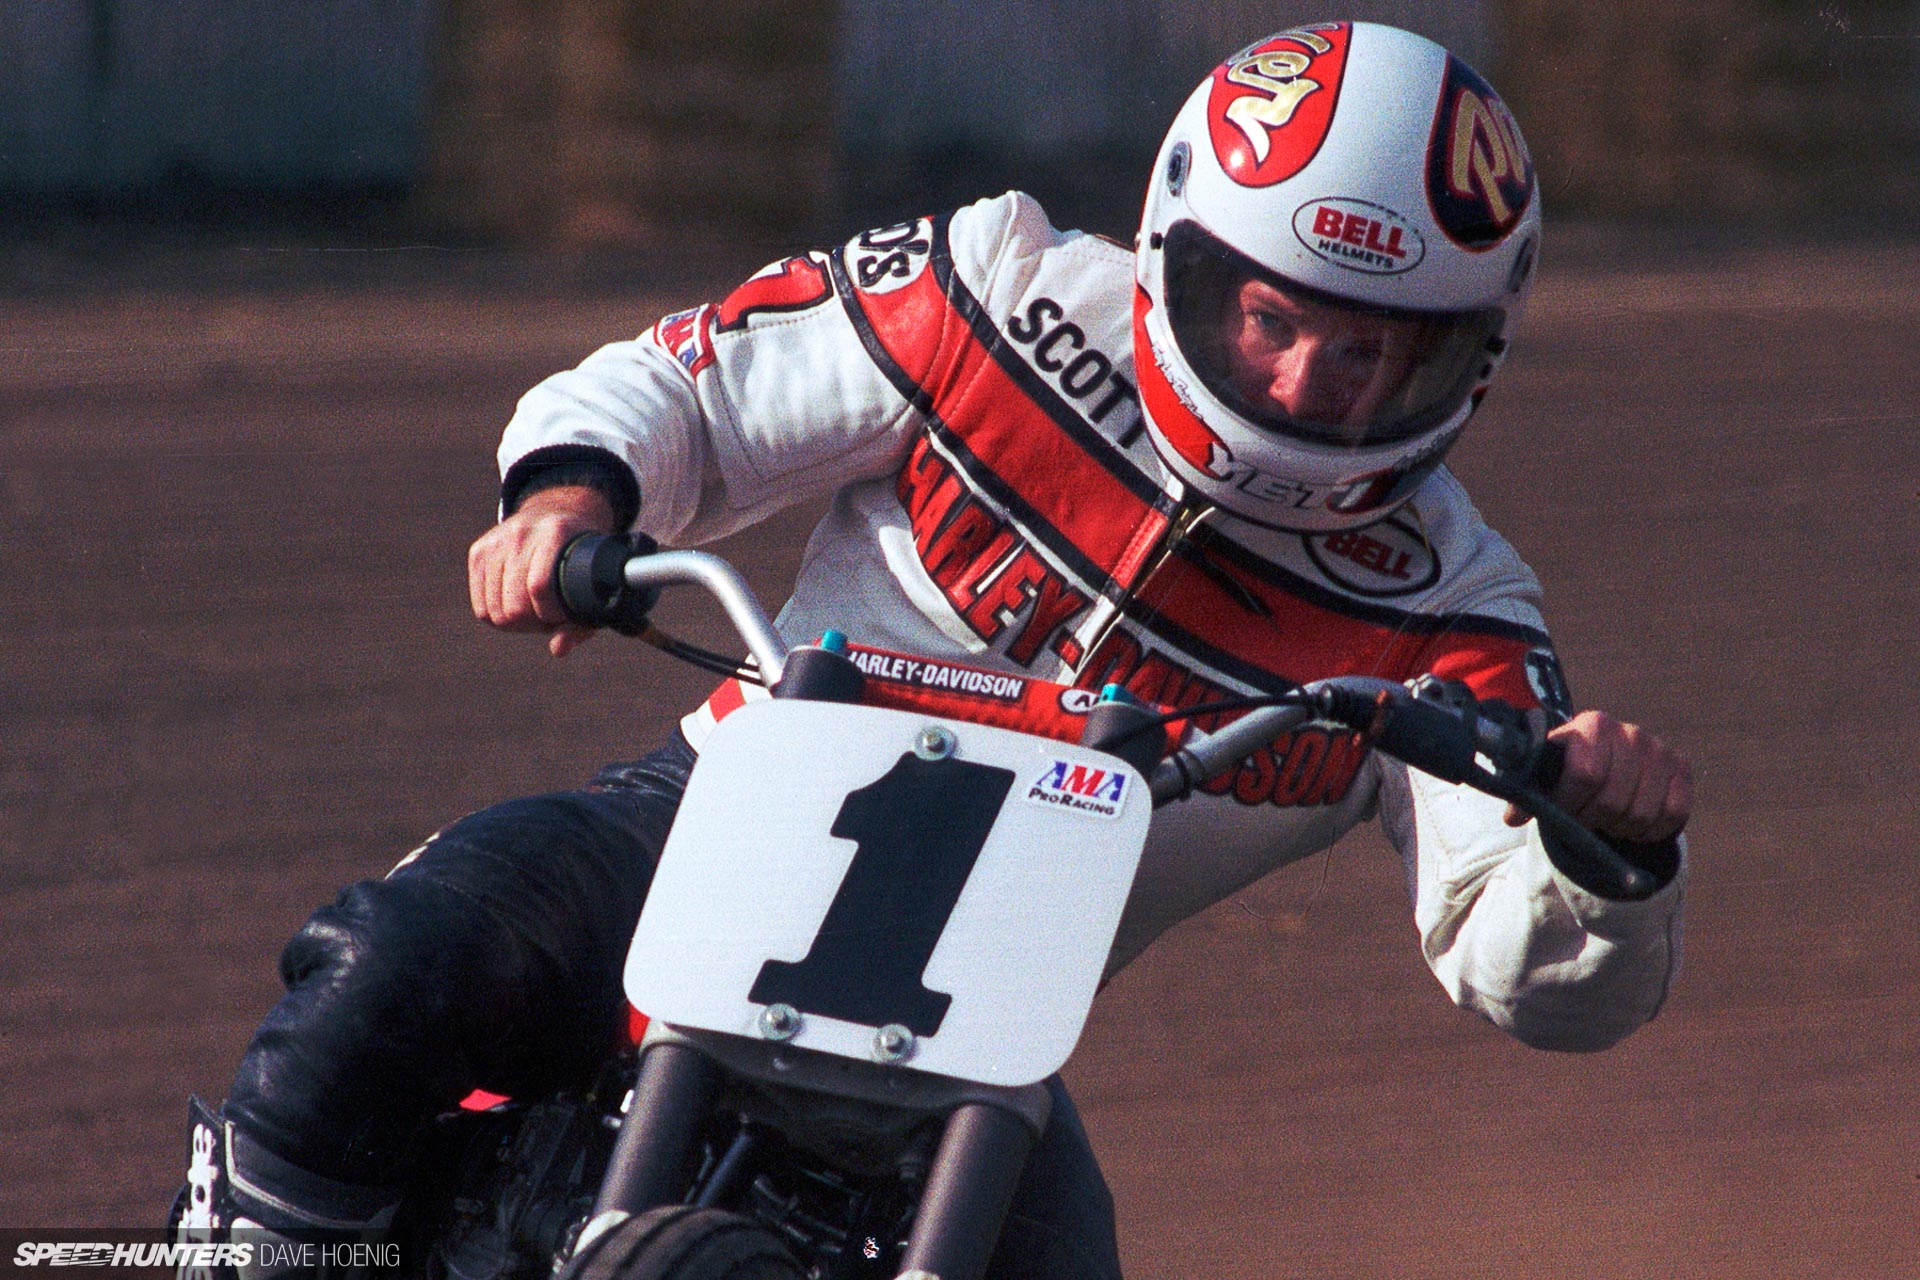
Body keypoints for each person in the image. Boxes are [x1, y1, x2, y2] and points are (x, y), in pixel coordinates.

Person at [176, 22, 1691, 1279]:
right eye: (1268, 319)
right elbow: (696, 382)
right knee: (389, 970)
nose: (1305, 376)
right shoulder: (1000, 289)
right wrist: (574, 497)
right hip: (703, 826)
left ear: (1464, 361)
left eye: (1371, 351)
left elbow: (1529, 958)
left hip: (983, 1047)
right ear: (1180, 253)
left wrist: (1607, 851)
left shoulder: (1456, 612)